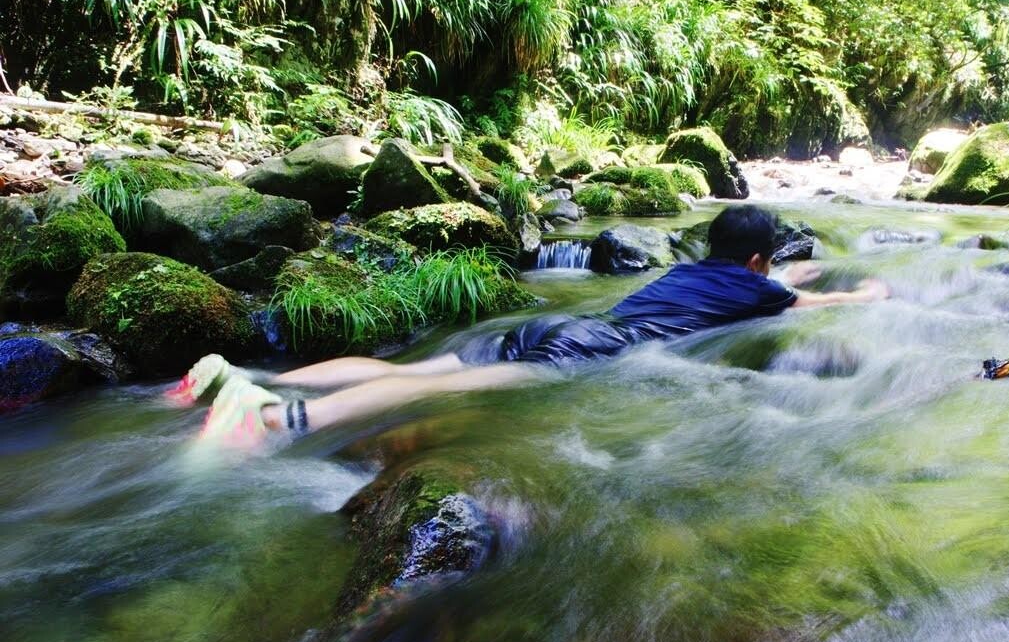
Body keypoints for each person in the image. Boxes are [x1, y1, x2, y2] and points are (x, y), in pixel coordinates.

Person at [176, 205, 890, 448]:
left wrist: (788, 278)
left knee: (412, 371)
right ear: (762, 260)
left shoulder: (687, 273)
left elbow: (763, 280)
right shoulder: (762, 294)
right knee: (451, 392)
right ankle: (280, 422)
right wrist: (869, 291)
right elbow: (809, 302)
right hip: (599, 347)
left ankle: (248, 380)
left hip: (563, 321)